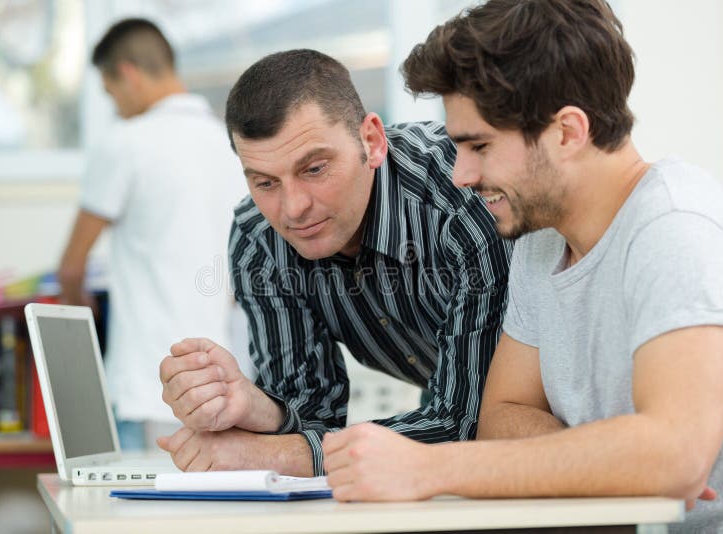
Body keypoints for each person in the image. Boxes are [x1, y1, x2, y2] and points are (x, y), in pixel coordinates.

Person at [321, 0, 723, 530]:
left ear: (568, 132)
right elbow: (501, 417)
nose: (462, 175)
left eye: (479, 145)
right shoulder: (542, 240)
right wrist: (622, 462)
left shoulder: (676, 228)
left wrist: (431, 467)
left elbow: (676, 458)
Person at [156, 49, 512, 476]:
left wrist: (264, 455)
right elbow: (313, 411)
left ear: (372, 141)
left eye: (314, 169)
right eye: (265, 182)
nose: (292, 209)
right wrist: (256, 408)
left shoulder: (461, 200)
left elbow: (469, 422)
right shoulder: (260, 241)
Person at [58, 18, 248, 450]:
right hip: (226, 384)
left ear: (127, 74)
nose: (115, 107)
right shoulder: (231, 143)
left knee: (130, 512)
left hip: (147, 384)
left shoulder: (126, 142)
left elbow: (71, 267)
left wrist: (81, 325)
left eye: (111, 95)